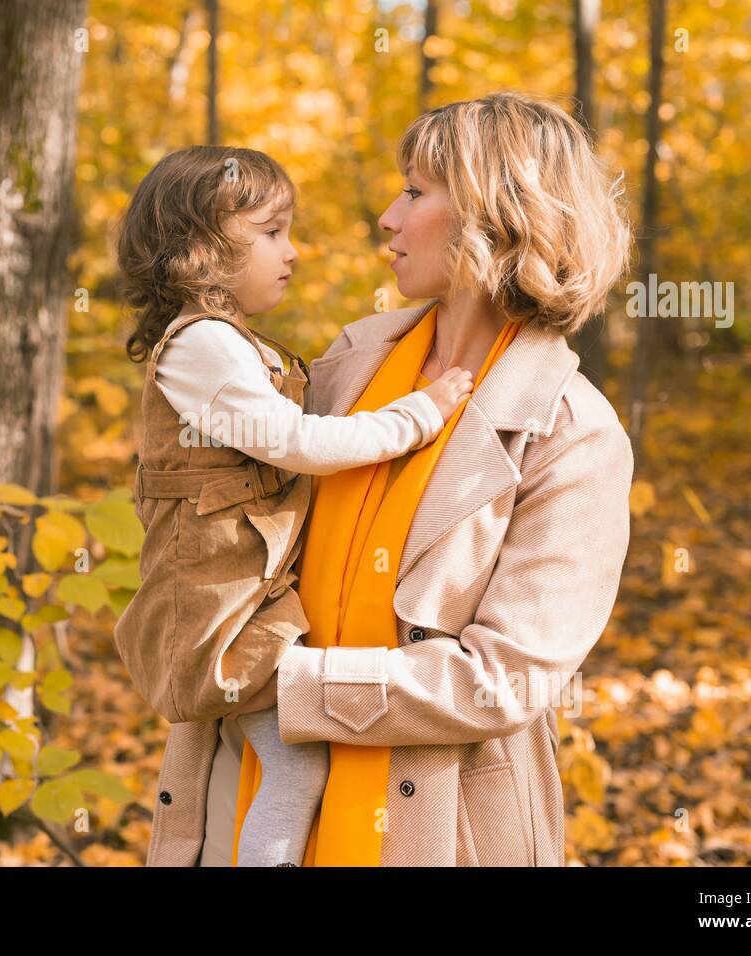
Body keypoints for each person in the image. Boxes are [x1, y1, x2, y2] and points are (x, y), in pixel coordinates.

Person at [147, 92, 635, 867]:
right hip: (247, 798)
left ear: (493, 213)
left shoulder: (573, 432)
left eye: (414, 191)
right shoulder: (345, 368)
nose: (387, 217)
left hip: (434, 828)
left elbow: (501, 681)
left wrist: (291, 682)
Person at [112, 145, 475, 866]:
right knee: (295, 761)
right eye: (272, 232)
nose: (294, 250)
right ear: (202, 250)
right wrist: (418, 416)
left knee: (293, 762)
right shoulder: (202, 345)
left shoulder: (232, 341)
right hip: (216, 599)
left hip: (250, 592)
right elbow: (295, 443)